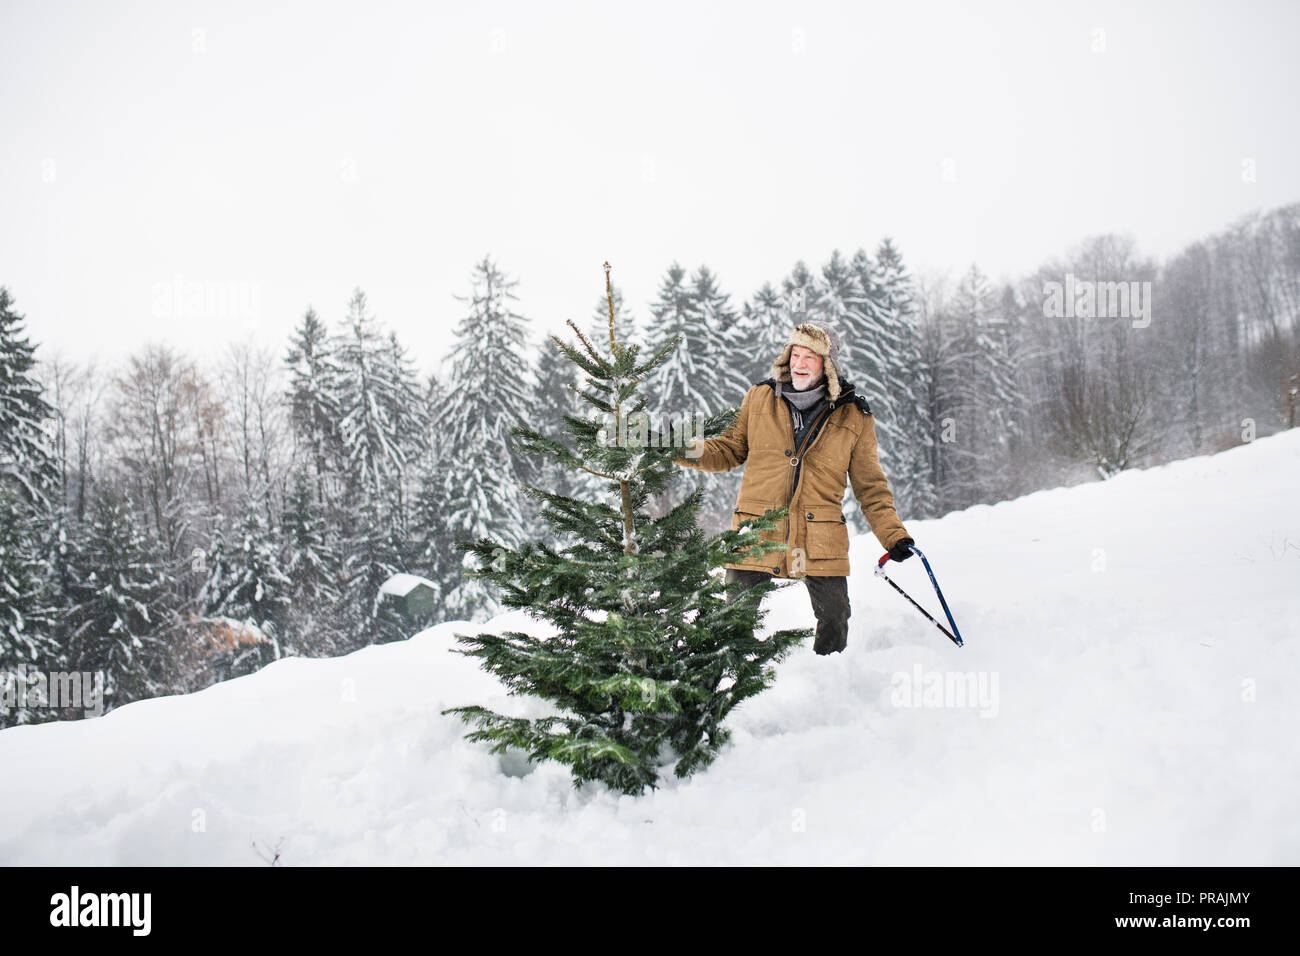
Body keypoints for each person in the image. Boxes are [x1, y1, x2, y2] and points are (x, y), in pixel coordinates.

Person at [672, 320, 915, 655]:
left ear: (827, 365)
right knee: (733, 621)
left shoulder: (854, 416)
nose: (799, 364)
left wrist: (894, 536)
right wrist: (673, 447)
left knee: (835, 619)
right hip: (756, 530)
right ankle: (731, 685)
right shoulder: (760, 399)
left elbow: (871, 488)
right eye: (795, 355)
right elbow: (727, 451)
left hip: (819, 538)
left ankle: (827, 685)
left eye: (809, 358)